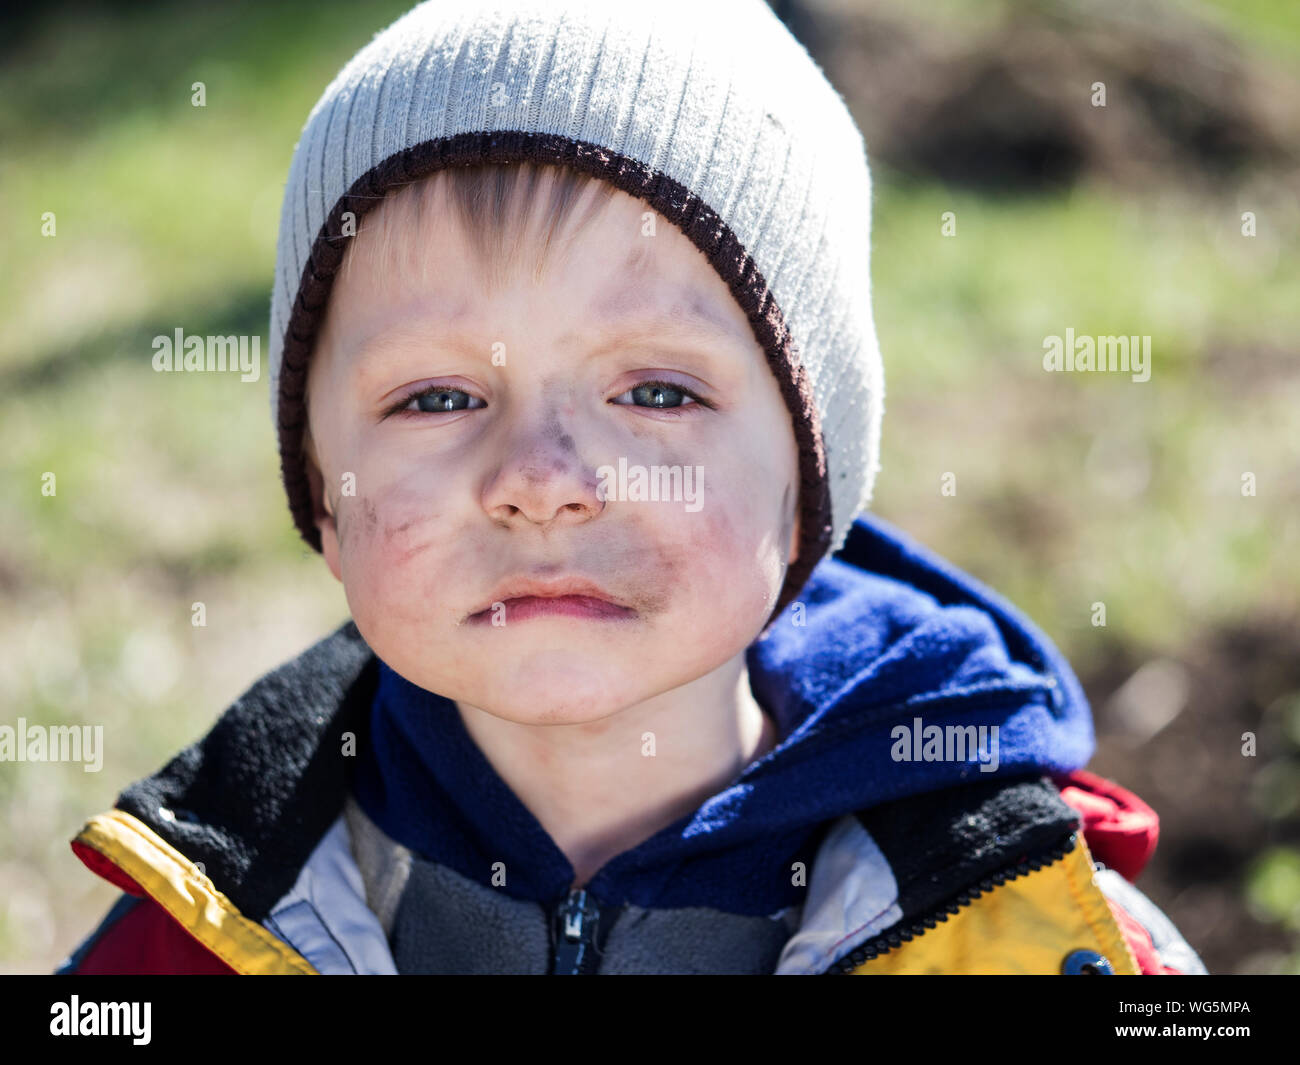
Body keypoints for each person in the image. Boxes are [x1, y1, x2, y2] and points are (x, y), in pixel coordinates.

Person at [57, 0, 1205, 975]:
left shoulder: (1038, 932)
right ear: (321, 494)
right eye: (437, 398)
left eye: (656, 393)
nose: (541, 483)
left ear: (809, 481)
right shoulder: (195, 926)